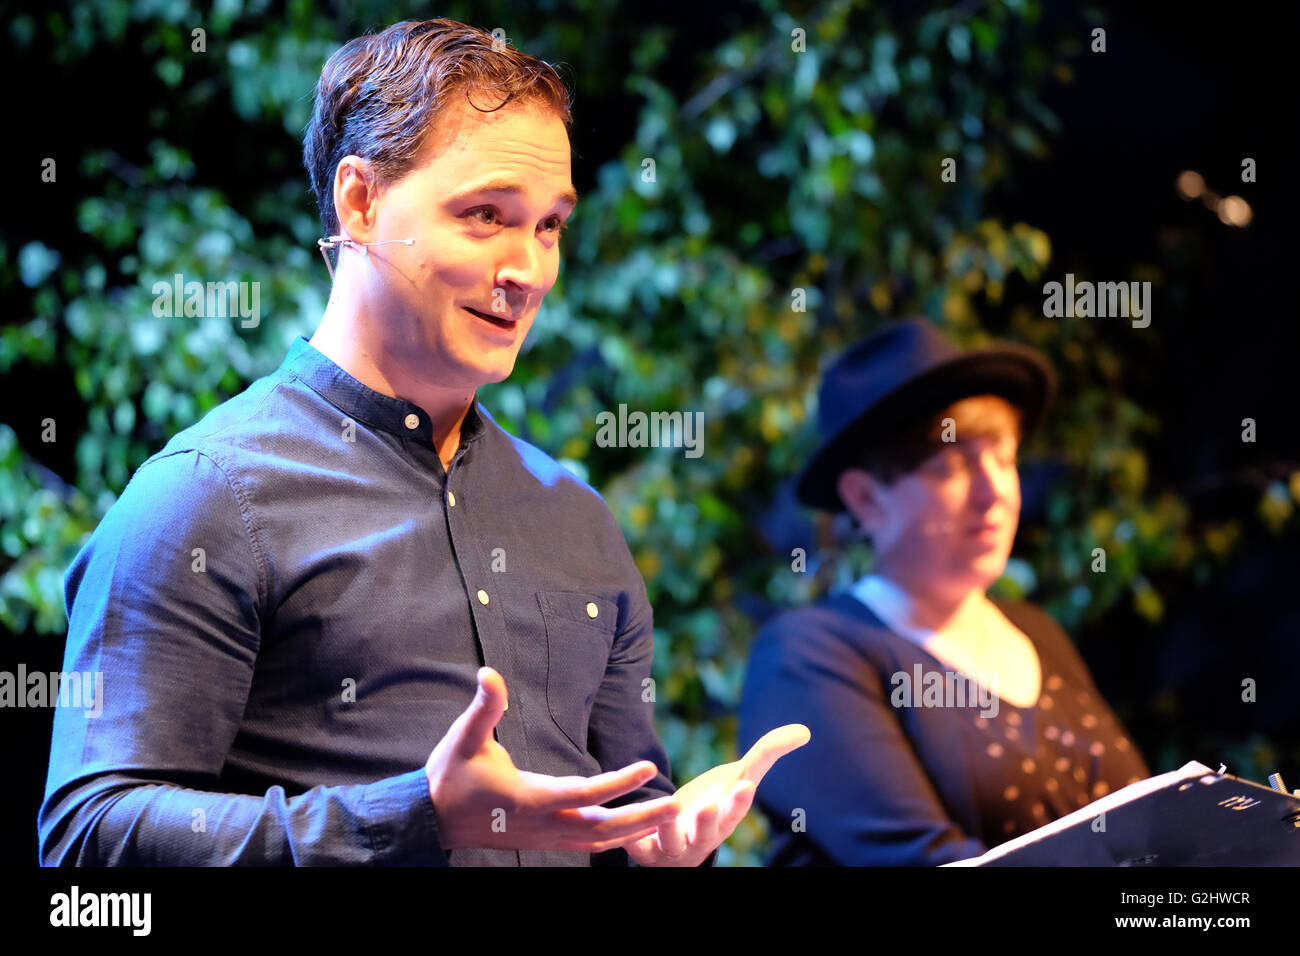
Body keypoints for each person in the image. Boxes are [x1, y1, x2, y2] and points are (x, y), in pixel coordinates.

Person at [39, 18, 805, 867]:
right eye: (486, 215)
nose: (530, 268)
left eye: (549, 225)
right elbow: (86, 841)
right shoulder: (208, 494)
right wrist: (415, 815)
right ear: (360, 200)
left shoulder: (577, 519)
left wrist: (655, 843)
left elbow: (625, 807)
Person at [738, 318, 1150, 865]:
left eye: (1004, 459)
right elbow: (920, 860)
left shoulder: (1035, 630)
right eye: (952, 465)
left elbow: (1150, 830)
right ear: (865, 498)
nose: (994, 492)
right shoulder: (809, 655)